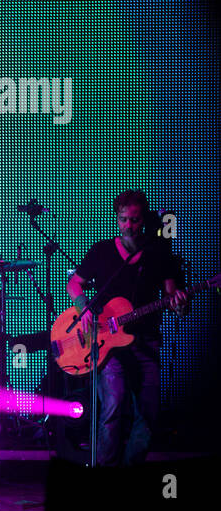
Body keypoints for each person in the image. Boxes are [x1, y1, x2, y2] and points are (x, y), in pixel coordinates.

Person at [66, 190, 186, 466]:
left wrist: (179, 303)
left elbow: (172, 297)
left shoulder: (158, 253)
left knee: (148, 416)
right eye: (123, 220)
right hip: (108, 346)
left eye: (134, 220)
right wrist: (83, 307)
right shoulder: (102, 251)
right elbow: (75, 283)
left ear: (142, 220)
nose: (129, 226)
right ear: (116, 219)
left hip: (146, 342)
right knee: (113, 407)